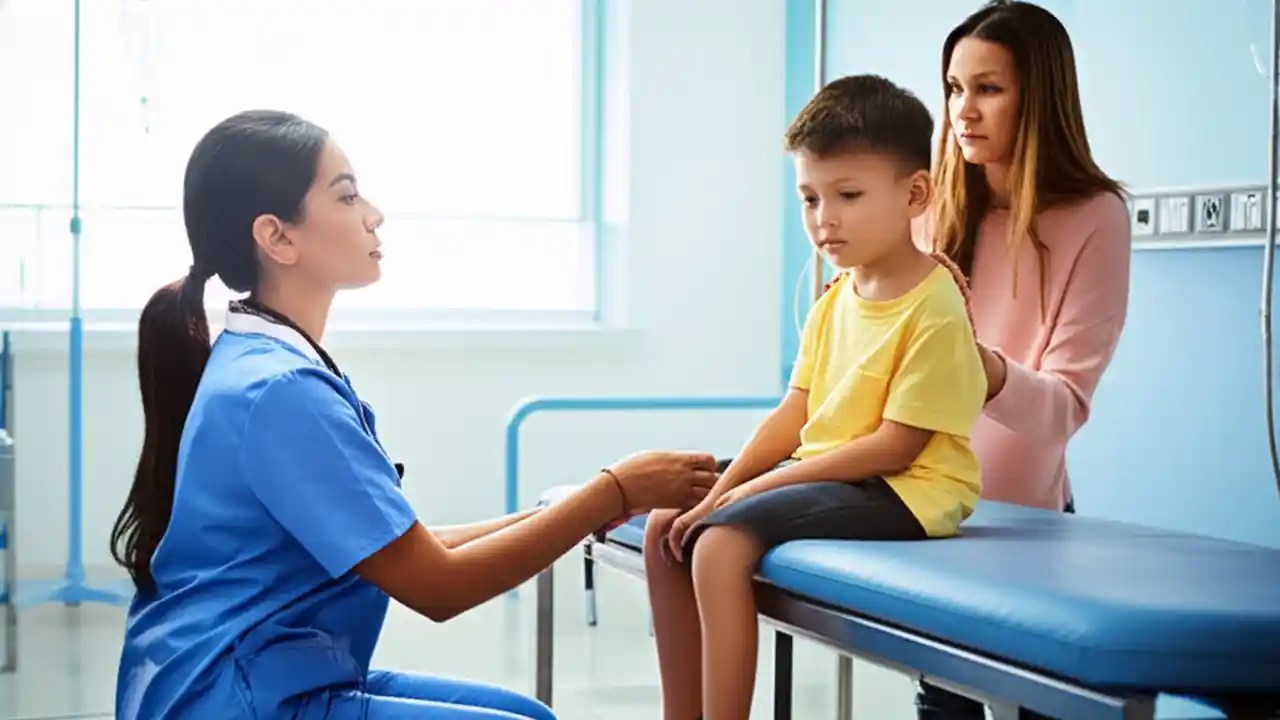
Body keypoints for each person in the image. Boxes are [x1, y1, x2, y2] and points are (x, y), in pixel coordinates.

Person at [109, 109, 719, 720]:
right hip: (233, 694)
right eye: (346, 195)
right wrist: (611, 493)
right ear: (277, 237)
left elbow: (408, 547)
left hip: (259, 671)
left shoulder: (270, 362)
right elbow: (437, 586)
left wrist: (567, 510)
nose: (373, 213)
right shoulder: (279, 391)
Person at [642, 74, 989, 720]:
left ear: (915, 194)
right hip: (840, 475)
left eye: (847, 195)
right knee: (668, 525)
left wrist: (754, 493)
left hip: (909, 491)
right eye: (809, 199)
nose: (823, 219)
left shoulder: (935, 304)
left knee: (719, 544)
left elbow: (895, 447)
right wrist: (725, 488)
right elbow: (794, 413)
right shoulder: (837, 297)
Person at [912, 2, 1131, 718]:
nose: (962, 110)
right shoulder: (928, 209)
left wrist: (977, 365)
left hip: (1027, 523)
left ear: (1038, 96)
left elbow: (1062, 408)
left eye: (988, 88)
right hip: (926, 507)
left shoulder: (1095, 216)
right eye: (953, 87)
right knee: (944, 706)